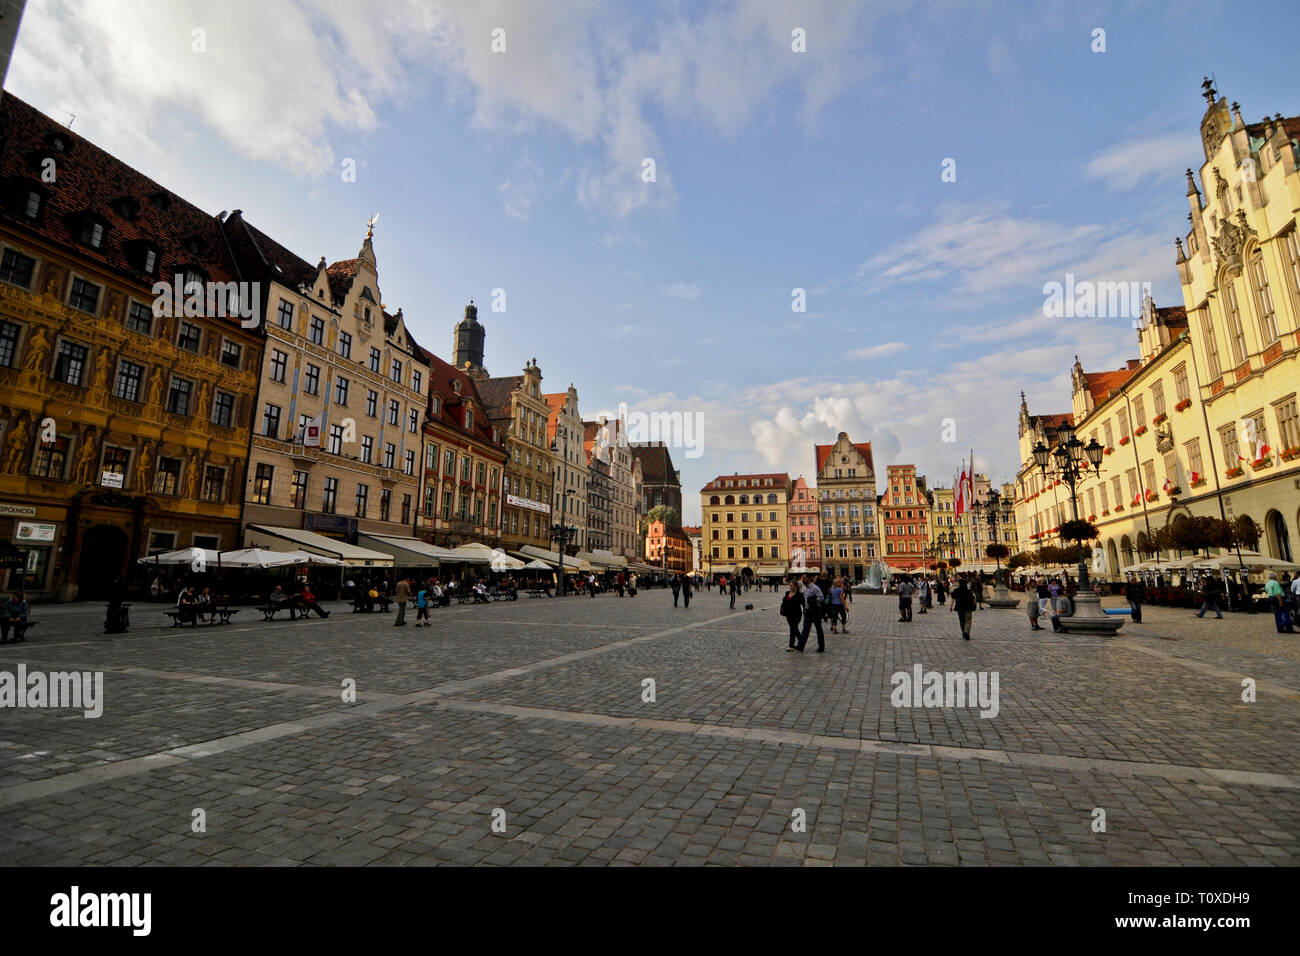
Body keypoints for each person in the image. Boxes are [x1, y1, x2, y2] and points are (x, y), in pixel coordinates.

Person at [796, 573, 825, 653]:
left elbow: (821, 597)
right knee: (805, 629)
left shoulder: (815, 588)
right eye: (802, 578)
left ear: (809, 578)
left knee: (818, 629)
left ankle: (821, 646)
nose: (803, 580)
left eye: (805, 578)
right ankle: (800, 646)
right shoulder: (804, 588)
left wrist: (814, 601)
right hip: (807, 611)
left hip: (815, 611)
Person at [780, 580, 803, 650]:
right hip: (788, 614)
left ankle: (793, 645)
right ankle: (799, 641)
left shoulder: (799, 594)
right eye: (790, 586)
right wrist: (784, 599)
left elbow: (803, 603)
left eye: (792, 586)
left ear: (796, 586)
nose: (790, 587)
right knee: (793, 629)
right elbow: (785, 602)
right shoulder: (787, 593)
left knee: (793, 628)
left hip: (797, 614)